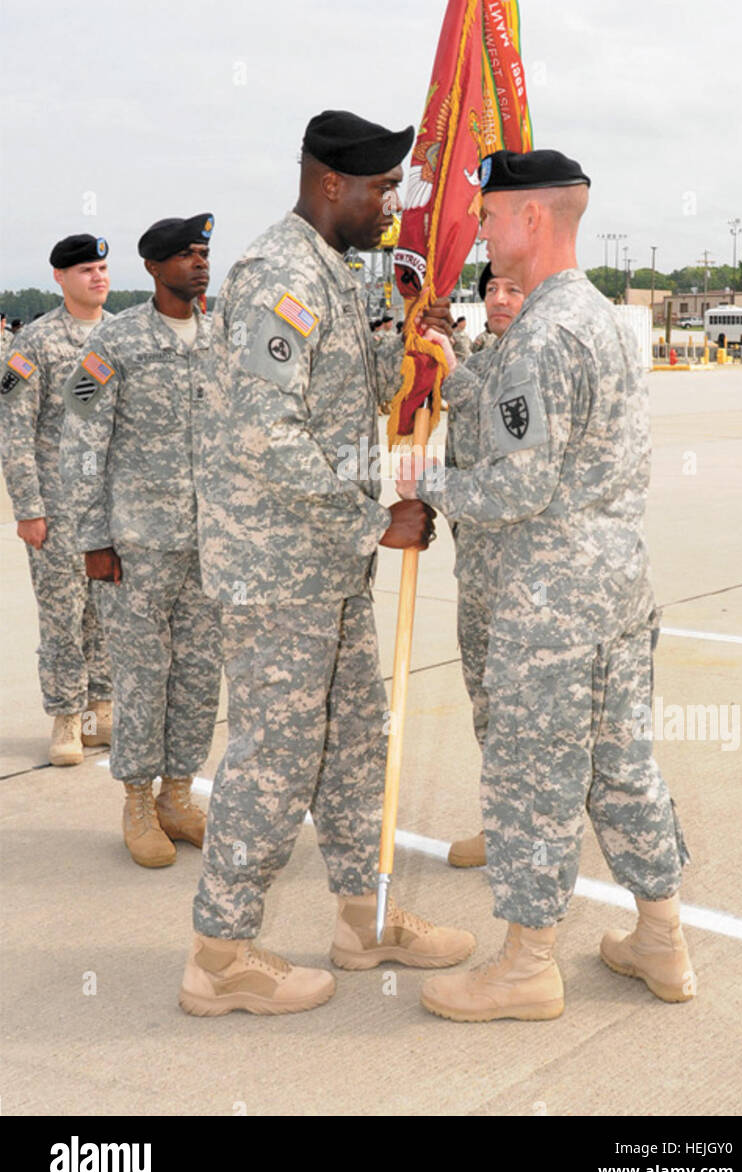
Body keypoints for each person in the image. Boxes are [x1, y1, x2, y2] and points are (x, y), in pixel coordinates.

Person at [181, 109, 475, 1018]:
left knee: (355, 743)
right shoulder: (277, 274)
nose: (393, 203)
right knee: (273, 757)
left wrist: (406, 345)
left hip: (324, 568)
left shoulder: (332, 272)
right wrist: (372, 521)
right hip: (278, 572)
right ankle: (220, 955)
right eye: (383, 188)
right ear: (330, 185)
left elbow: (342, 396)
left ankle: (363, 915)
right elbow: (266, 434)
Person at [397, 148, 694, 1022]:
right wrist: (461, 367)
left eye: (486, 215)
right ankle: (660, 937)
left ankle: (526, 965)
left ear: (529, 218)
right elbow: (536, 430)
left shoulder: (545, 333)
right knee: (621, 764)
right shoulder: (589, 317)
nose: (477, 229)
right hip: (609, 590)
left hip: (544, 607)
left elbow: (515, 488)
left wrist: (421, 483)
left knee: (532, 777)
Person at [59, 214, 222, 867]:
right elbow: (79, 442)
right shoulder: (114, 343)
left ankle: (178, 796)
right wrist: (94, 536)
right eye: (184, 254)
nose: (199, 263)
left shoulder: (222, 337)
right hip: (137, 548)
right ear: (153, 268)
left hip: (209, 546)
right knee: (140, 678)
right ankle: (135, 800)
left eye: (204, 252)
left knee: (196, 676)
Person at [0, 235, 114, 765]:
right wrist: (28, 507)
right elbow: (14, 430)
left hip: (111, 505)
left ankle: (100, 711)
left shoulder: (120, 336)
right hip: (57, 505)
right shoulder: (34, 344)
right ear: (60, 278)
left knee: (106, 610)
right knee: (63, 614)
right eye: (87, 269)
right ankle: (66, 716)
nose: (98, 277)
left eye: (103, 267)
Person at [446, 263, 527, 870]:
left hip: (530, 580)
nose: (498, 299)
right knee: (488, 705)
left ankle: (537, 836)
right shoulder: (476, 367)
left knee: (536, 713)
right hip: (477, 575)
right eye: (490, 290)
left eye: (513, 288)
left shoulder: (538, 367)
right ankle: (502, 825)